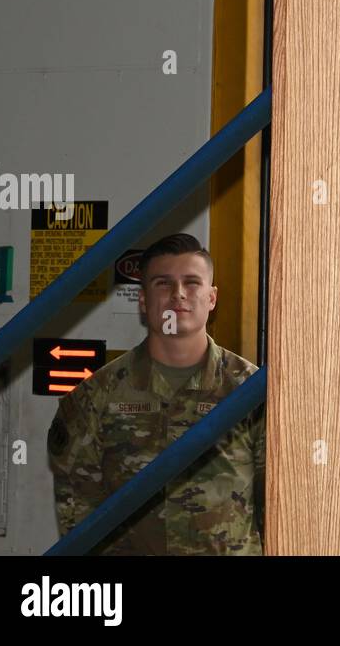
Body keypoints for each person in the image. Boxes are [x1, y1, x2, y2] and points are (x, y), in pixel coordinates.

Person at [47, 233, 264, 555]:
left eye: (192, 283)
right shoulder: (95, 397)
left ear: (211, 298)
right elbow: (79, 510)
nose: (178, 294)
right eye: (163, 283)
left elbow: (278, 506)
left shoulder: (251, 392)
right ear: (143, 300)